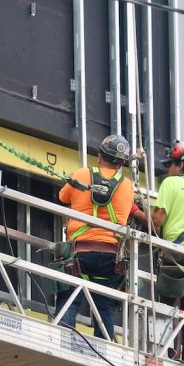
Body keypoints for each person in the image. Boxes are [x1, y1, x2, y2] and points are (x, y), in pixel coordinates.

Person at [132, 140, 184, 365]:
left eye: (171, 164)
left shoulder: (170, 184)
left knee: (167, 306)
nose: (167, 169)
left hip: (174, 255)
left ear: (181, 166)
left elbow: (156, 223)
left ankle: (167, 355)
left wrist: (136, 211)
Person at [56, 134, 135, 341]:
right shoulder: (127, 186)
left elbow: (62, 197)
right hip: (110, 257)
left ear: (100, 155)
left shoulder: (83, 174)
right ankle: (105, 345)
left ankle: (63, 337)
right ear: (121, 163)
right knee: (104, 306)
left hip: (81, 251)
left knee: (71, 296)